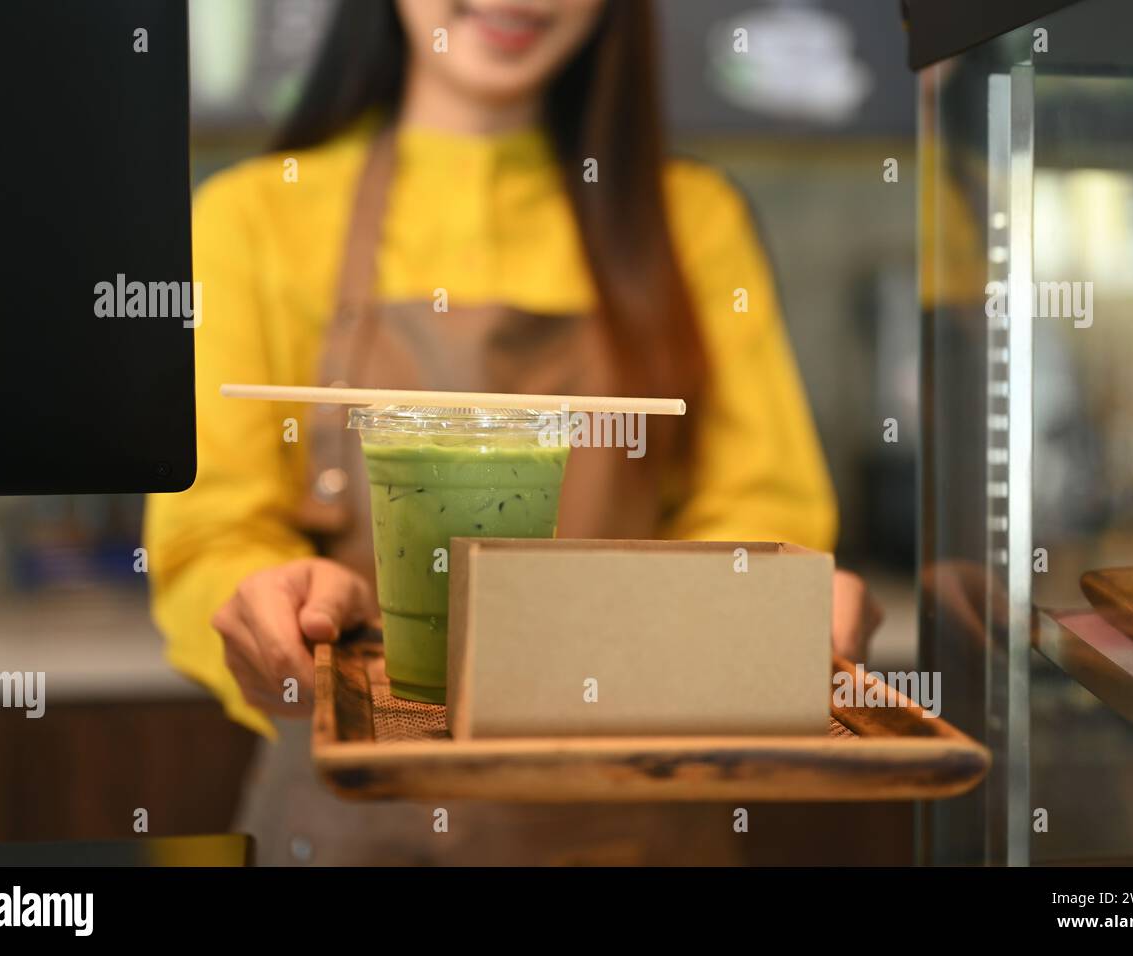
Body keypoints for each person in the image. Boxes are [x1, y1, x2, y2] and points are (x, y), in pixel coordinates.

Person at [145, 0, 881, 865]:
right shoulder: (251, 218)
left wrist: (764, 602)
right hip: (350, 826)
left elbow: (762, 507)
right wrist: (271, 605)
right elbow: (211, 535)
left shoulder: (695, 220)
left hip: (640, 824)